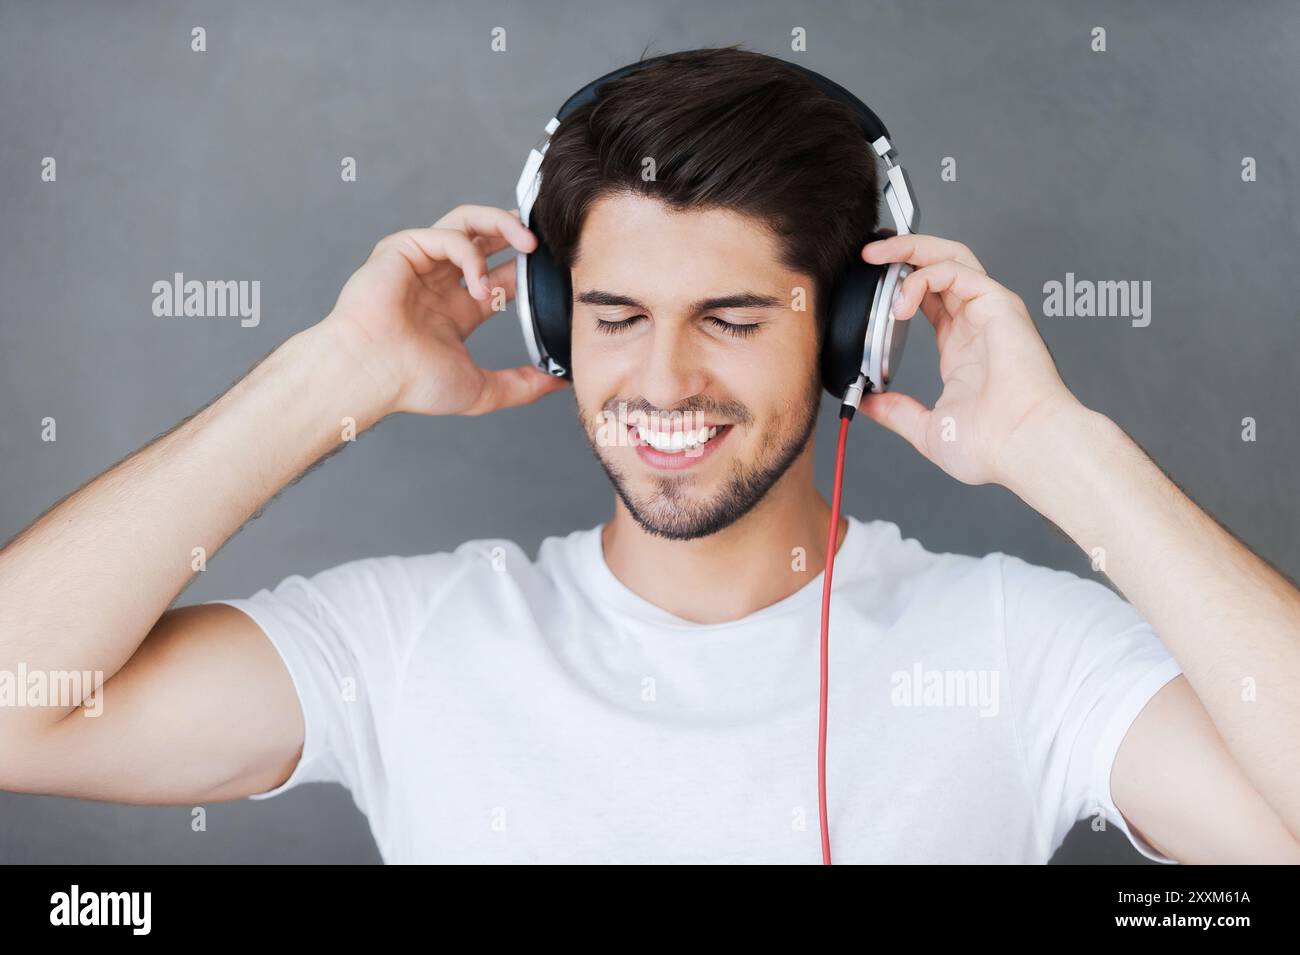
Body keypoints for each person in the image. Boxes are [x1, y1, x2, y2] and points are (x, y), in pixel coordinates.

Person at [1, 48, 1297, 864]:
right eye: (616, 318)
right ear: (559, 321)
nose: (664, 380)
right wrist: (325, 382)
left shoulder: (1027, 653)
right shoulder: (416, 641)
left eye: (732, 320)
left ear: (855, 330)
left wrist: (1060, 452)